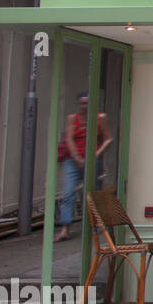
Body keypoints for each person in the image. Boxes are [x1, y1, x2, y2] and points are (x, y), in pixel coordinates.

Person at [55, 92, 112, 241]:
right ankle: (64, 228)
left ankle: (97, 222)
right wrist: (76, 156)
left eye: (87, 103)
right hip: (73, 160)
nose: (84, 106)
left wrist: (96, 155)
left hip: (93, 159)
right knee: (68, 192)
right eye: (82, 103)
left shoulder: (100, 118)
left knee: (93, 192)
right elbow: (69, 139)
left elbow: (108, 139)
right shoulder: (72, 119)